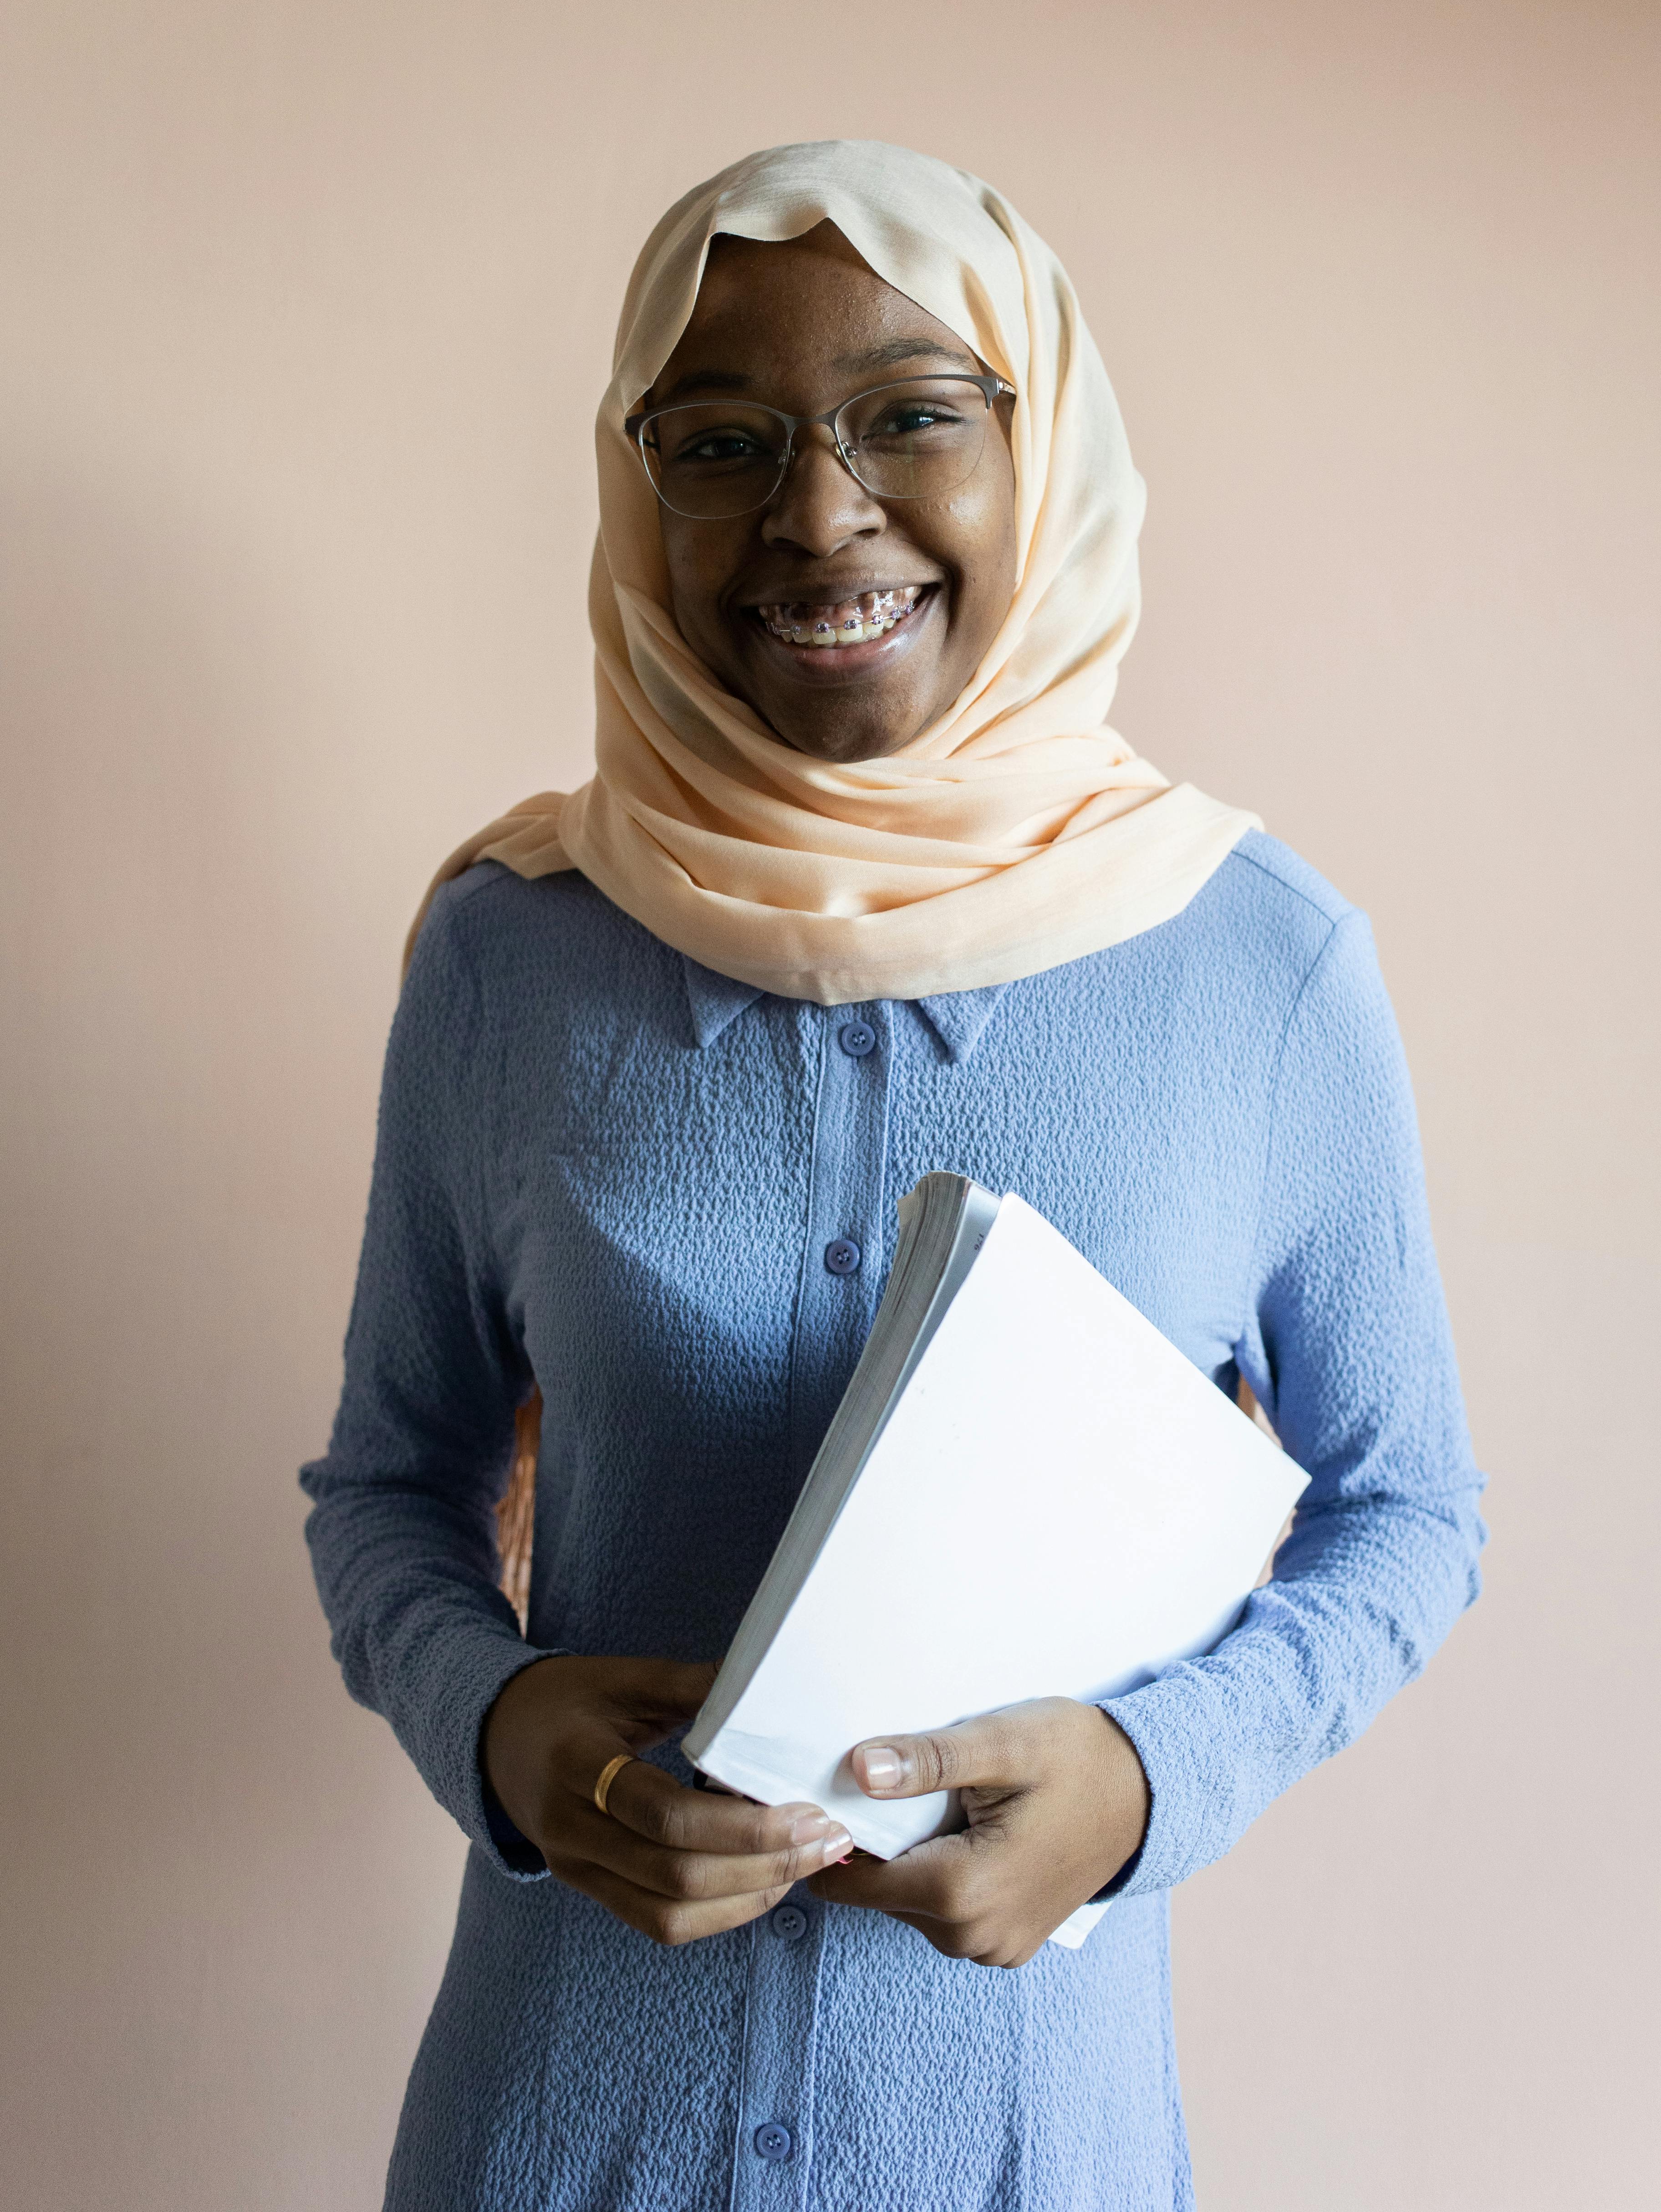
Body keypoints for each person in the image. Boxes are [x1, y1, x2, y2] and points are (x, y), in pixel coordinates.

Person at [301, 139, 1484, 2212]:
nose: (819, 512)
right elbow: (388, 1490)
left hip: (1030, 2148)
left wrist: (1143, 1784)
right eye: (722, 438)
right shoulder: (513, 956)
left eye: (912, 416)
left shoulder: (1260, 962)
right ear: (629, 479)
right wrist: (506, 1738)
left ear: (1043, 444)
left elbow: (1413, 1516)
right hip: (559, 2130)